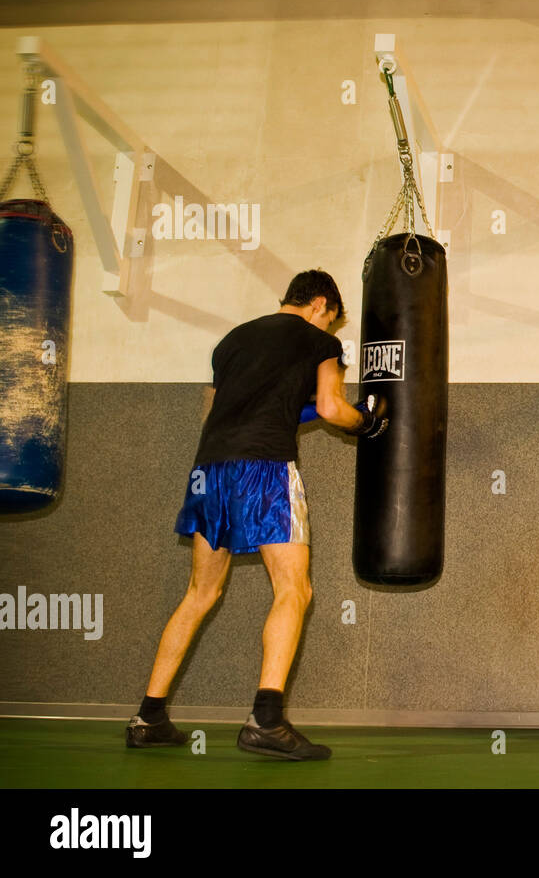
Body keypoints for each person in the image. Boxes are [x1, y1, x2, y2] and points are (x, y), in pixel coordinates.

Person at [126, 270, 386, 760]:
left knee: (200, 593)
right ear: (320, 305)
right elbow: (331, 408)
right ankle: (266, 721)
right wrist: (368, 422)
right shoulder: (317, 342)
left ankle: (148, 717)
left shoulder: (232, 341)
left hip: (209, 471)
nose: (328, 330)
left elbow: (234, 410)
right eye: (330, 320)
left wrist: (303, 410)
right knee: (295, 588)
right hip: (264, 469)